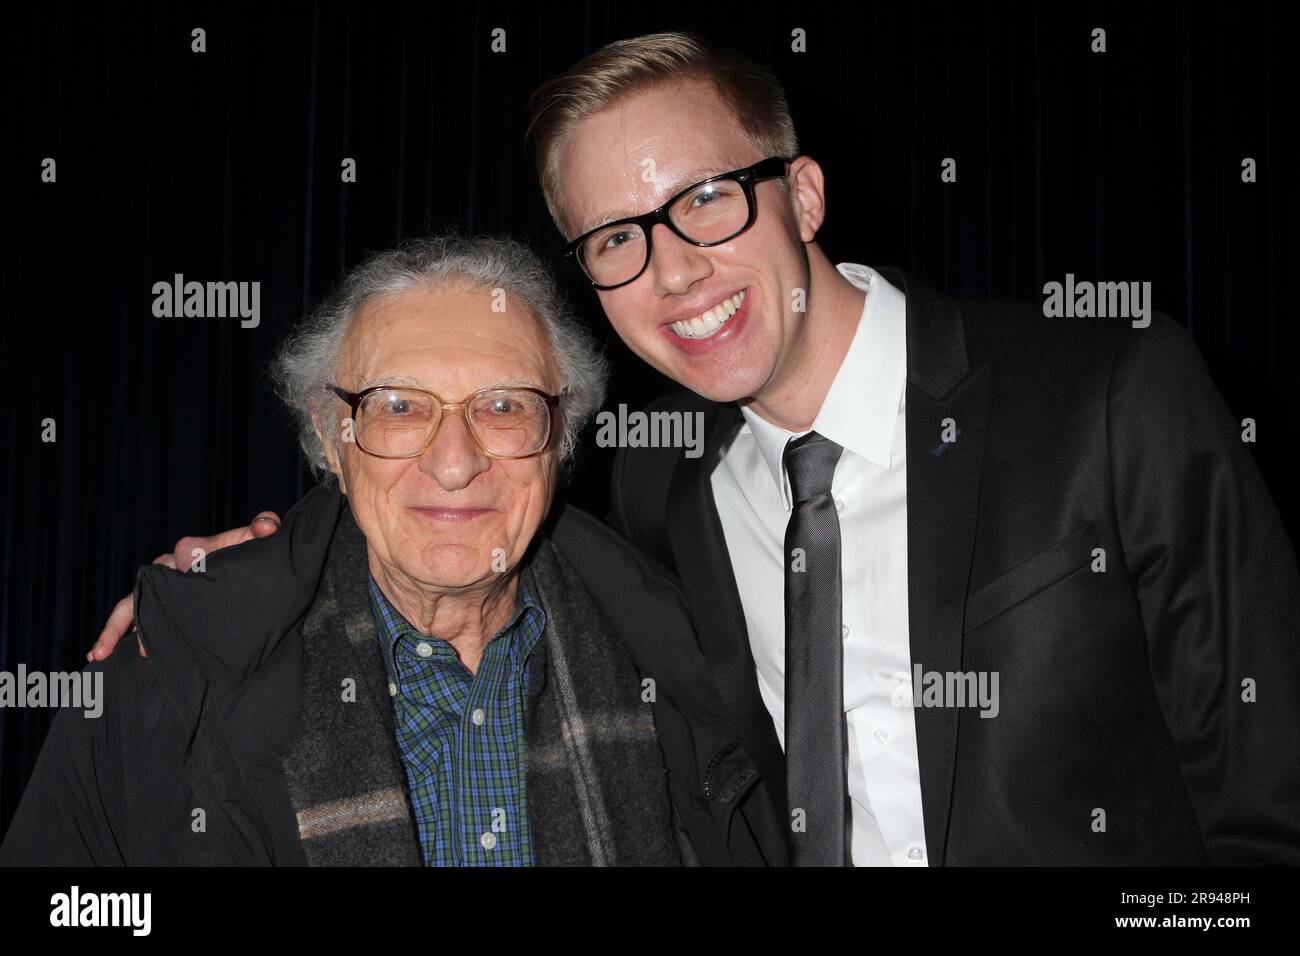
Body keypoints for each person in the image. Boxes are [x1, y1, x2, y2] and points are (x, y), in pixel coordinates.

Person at [87, 33, 1300, 866]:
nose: (672, 270)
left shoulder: (1108, 389)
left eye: (708, 199)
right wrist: (247, 580)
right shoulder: (655, 480)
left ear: (802, 194)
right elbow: (446, 490)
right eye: (616, 237)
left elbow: (1269, 807)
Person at [0, 234, 768, 866]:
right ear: (332, 438)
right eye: (399, 408)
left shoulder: (702, 671)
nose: (455, 463)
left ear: (559, 439)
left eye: (504, 406)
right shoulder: (170, 674)